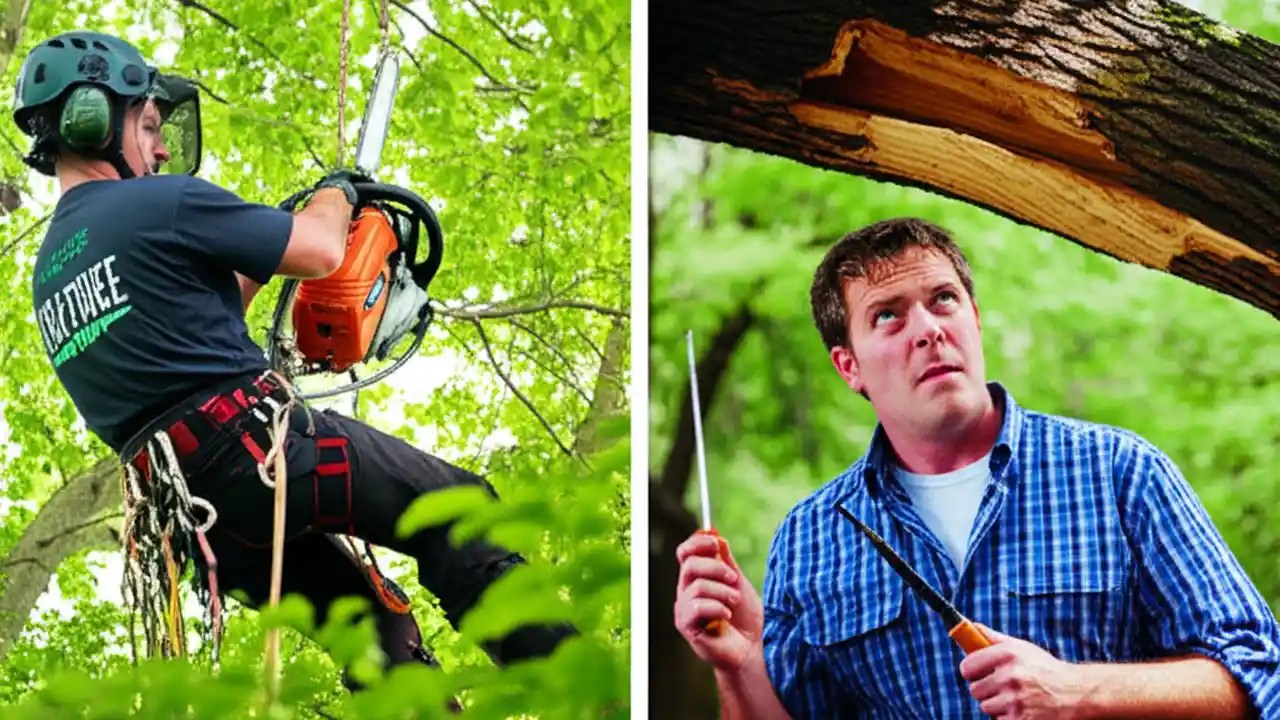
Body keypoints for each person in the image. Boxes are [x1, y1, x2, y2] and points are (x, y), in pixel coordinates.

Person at [14, 30, 571, 685]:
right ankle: (581, 690)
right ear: (94, 119)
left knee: (373, 631)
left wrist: (268, 234)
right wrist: (337, 194)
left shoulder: (50, 274)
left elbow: (206, 317)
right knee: (457, 509)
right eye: (149, 124)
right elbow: (321, 251)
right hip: (260, 451)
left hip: (197, 525)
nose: (162, 149)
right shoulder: (156, 202)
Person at [673, 218, 1280, 718]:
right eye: (888, 315)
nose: (929, 331)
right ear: (848, 366)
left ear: (975, 319)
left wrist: (1076, 691)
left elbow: (1259, 674)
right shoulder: (809, 540)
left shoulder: (1121, 473)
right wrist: (743, 661)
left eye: (943, 300)